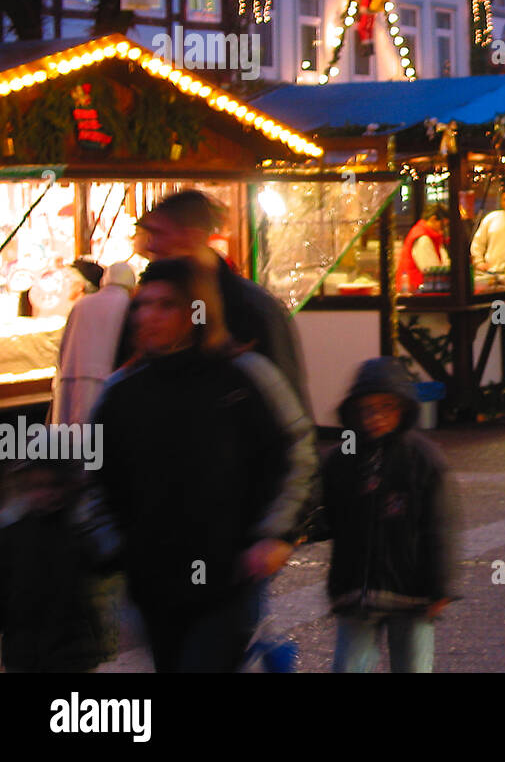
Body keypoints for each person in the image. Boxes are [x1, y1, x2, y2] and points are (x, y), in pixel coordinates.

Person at [88, 258, 314, 672]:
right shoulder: (122, 392)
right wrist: (114, 547)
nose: (148, 317)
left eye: (166, 305)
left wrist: (276, 532)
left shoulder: (243, 378)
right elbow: (95, 475)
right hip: (154, 582)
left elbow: (295, 451)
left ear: (196, 311)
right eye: (143, 305)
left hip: (230, 578)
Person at [322, 357, 455, 673]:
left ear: (403, 409)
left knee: (412, 667)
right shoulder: (343, 460)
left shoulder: (422, 458)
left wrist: (441, 586)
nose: (375, 417)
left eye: (386, 407)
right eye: (367, 409)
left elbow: (441, 526)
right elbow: (325, 511)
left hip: (413, 593)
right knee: (348, 666)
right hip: (357, 591)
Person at [128, 190, 311, 415]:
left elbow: (286, 407)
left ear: (192, 237)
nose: (151, 246)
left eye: (160, 234)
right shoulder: (147, 302)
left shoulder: (252, 307)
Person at [0, 461, 116, 673]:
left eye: (54, 485)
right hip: (26, 653)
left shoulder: (76, 533)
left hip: (70, 651)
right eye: (37, 486)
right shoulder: (11, 538)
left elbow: (104, 564)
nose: (47, 493)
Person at [51, 261, 136, 427]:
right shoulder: (129, 305)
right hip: (108, 379)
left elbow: (64, 347)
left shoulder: (82, 304)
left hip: (73, 377)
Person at [396, 203, 450, 293]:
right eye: (443, 225)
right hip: (418, 290)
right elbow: (432, 270)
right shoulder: (423, 239)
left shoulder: (428, 236)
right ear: (433, 219)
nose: (443, 229)